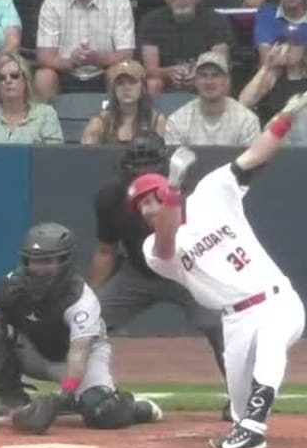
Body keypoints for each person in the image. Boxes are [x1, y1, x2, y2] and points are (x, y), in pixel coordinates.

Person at [128, 91, 307, 448]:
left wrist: (285, 118)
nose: (148, 210)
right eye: (142, 206)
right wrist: (173, 193)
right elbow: (168, 242)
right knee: (239, 407)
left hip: (276, 299)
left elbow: (253, 157)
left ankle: (255, 424)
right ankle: (249, 422)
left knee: (271, 343)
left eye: (152, 199)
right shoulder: (153, 249)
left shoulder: (212, 191)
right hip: (234, 322)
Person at [0, 222, 165, 435]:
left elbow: (79, 353)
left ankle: (135, 407)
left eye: (47, 261)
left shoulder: (81, 300)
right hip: (34, 352)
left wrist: (62, 397)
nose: (38, 268)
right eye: (33, 261)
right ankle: (14, 402)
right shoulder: (8, 287)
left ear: (64, 261)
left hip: (79, 359)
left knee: (102, 411)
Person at [87, 132, 228, 417]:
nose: (142, 173)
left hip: (188, 272)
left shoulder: (191, 195)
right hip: (138, 273)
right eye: (136, 166)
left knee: (221, 326)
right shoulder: (111, 198)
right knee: (88, 323)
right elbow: (106, 251)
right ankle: (87, 393)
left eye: (149, 166)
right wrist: (86, 301)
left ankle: (243, 398)